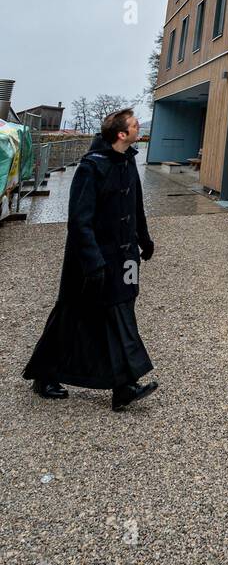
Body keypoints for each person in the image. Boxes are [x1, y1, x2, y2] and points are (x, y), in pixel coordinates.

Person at [23, 109, 158, 412]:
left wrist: (144, 239)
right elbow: (79, 220)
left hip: (125, 257)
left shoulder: (127, 161)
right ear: (121, 134)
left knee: (122, 311)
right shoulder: (91, 167)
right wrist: (93, 261)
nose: (140, 128)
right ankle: (47, 374)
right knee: (73, 314)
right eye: (135, 125)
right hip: (93, 261)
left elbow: (135, 205)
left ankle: (123, 386)